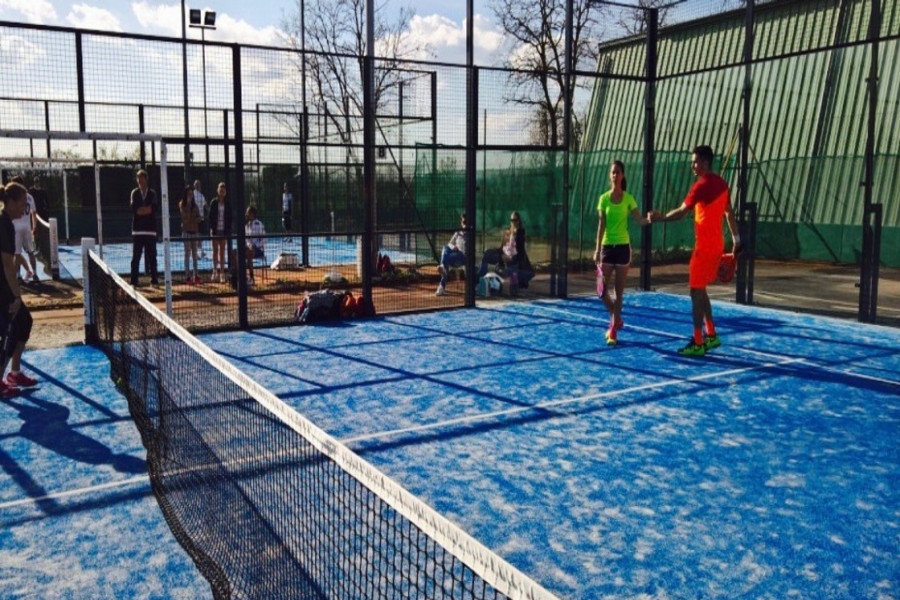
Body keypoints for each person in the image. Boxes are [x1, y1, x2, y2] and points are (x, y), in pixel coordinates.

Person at [648, 145, 741, 356]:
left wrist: (660, 217)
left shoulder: (700, 187)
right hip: (717, 246)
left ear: (705, 163)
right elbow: (730, 215)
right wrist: (736, 240)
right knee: (701, 290)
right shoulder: (724, 185)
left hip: (704, 248)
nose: (692, 165)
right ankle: (712, 334)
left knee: (694, 292)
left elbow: (681, 213)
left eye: (695, 162)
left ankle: (698, 343)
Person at [593, 160, 650, 345]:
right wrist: (597, 249)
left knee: (618, 292)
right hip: (607, 248)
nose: (615, 175)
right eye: (612, 172)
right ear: (610, 176)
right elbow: (601, 226)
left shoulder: (628, 198)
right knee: (601, 290)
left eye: (618, 172)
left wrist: (649, 219)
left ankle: (612, 331)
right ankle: (615, 317)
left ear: (622, 175)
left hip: (624, 248)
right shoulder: (603, 199)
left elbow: (639, 220)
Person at [0, 182, 39, 396]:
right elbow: (7, 263)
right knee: (10, 329)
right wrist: (16, 296)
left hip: (6, 285)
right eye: (22, 203)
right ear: (11, 202)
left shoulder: (8, 223)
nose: (24, 208)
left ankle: (14, 373)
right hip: (3, 288)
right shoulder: (3, 223)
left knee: (24, 321)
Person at [476, 211, 533, 295]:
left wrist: (510, 257)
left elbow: (519, 251)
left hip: (511, 258)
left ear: (518, 221)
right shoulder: (507, 232)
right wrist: (496, 252)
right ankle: (477, 280)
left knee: (511, 275)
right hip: (502, 256)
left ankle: (512, 285)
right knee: (486, 255)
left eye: (515, 220)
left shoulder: (520, 233)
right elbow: (501, 247)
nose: (513, 222)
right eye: (511, 220)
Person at [129, 169, 159, 287]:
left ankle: (154, 280)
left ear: (146, 179)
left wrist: (144, 210)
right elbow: (135, 210)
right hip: (137, 231)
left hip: (150, 231)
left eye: (142, 178)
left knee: (152, 256)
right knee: (136, 257)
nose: (140, 181)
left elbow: (153, 208)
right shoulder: (134, 193)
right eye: (138, 178)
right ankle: (134, 281)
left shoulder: (153, 193)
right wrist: (144, 210)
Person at [9, 176, 38, 283]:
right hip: (26, 227)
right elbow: (34, 213)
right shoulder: (29, 197)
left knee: (17, 253)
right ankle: (34, 273)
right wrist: (34, 227)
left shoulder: (13, 198)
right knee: (31, 251)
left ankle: (18, 275)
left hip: (16, 227)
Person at [436, 214, 467, 296]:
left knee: (446, 260)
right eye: (463, 222)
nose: (464, 224)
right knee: (445, 247)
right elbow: (450, 243)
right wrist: (454, 247)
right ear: (461, 223)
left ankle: (442, 286)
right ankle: (443, 267)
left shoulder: (470, 234)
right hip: (454, 255)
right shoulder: (457, 233)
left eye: (466, 222)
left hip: (463, 257)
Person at [208, 182, 232, 283]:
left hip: (224, 231)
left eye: (223, 190)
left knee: (222, 252)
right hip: (215, 230)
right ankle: (215, 271)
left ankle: (222, 273)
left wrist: (227, 230)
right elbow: (210, 216)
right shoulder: (213, 202)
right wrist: (212, 228)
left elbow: (230, 218)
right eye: (220, 190)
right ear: (217, 190)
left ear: (225, 192)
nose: (222, 192)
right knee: (215, 252)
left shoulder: (227, 203)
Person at [179, 184, 201, 284]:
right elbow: (185, 219)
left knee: (195, 255)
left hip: (194, 232)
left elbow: (199, 218)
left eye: (192, 194)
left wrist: (194, 219)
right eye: (189, 194)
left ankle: (195, 275)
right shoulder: (182, 205)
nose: (190, 196)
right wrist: (188, 207)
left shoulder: (195, 206)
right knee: (187, 254)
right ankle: (187, 276)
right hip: (186, 232)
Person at [244, 205, 266, 286]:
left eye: (247, 212)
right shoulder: (246, 226)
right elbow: (246, 240)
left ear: (252, 214)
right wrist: (248, 245)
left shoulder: (259, 224)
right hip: (249, 249)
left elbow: (264, 240)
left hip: (258, 250)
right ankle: (241, 277)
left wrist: (255, 246)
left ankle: (252, 278)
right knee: (235, 253)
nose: (246, 214)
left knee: (249, 253)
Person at [193, 179, 208, 259]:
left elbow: (205, 205)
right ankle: (197, 253)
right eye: (198, 185)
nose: (200, 186)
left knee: (198, 236)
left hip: (198, 218)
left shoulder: (197, 195)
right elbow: (206, 205)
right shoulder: (199, 195)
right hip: (198, 219)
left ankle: (199, 252)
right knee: (198, 236)